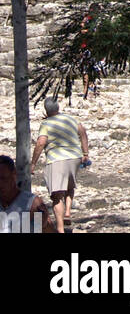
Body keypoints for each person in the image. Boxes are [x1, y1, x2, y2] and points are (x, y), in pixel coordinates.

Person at [31, 98, 89, 235]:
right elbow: (83, 133)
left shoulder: (46, 123)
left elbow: (41, 142)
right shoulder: (71, 119)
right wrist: (85, 152)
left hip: (56, 159)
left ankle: (60, 229)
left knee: (56, 195)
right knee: (69, 185)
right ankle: (68, 211)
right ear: (58, 107)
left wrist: (33, 163)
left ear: (46, 110)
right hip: (75, 157)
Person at [0, 154, 54, 233]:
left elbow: (46, 229)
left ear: (14, 175)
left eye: (3, 178)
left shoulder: (31, 204)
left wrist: (44, 224)